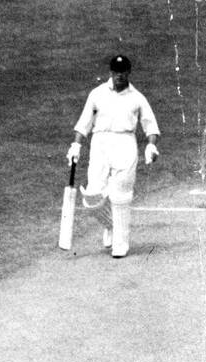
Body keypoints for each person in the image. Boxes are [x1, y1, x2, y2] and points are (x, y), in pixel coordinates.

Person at [67, 55, 160, 258]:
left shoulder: (137, 98)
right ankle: (111, 225)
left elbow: (150, 125)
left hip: (125, 144)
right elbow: (84, 123)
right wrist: (76, 144)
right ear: (111, 73)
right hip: (100, 144)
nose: (120, 75)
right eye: (116, 72)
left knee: (121, 196)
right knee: (92, 196)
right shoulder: (97, 94)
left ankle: (121, 243)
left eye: (123, 72)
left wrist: (151, 146)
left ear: (128, 73)